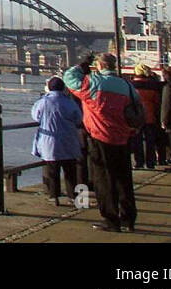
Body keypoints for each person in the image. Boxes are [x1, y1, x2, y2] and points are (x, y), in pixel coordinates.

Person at [64, 52, 141, 232]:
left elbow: (69, 77)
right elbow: (138, 108)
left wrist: (83, 64)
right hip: (123, 138)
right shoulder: (127, 86)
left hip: (100, 137)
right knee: (124, 179)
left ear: (99, 66)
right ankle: (128, 219)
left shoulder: (93, 83)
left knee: (104, 181)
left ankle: (111, 220)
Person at [31, 76, 83, 206]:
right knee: (70, 171)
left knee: (52, 171)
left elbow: (36, 116)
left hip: (50, 141)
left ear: (49, 87)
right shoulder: (70, 102)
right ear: (63, 88)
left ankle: (54, 196)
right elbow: (78, 118)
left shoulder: (43, 102)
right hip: (69, 140)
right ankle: (73, 197)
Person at [130, 65, 165, 169]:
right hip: (150, 116)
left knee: (137, 141)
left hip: (136, 117)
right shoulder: (153, 85)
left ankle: (139, 162)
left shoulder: (132, 86)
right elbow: (157, 102)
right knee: (150, 141)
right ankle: (150, 162)